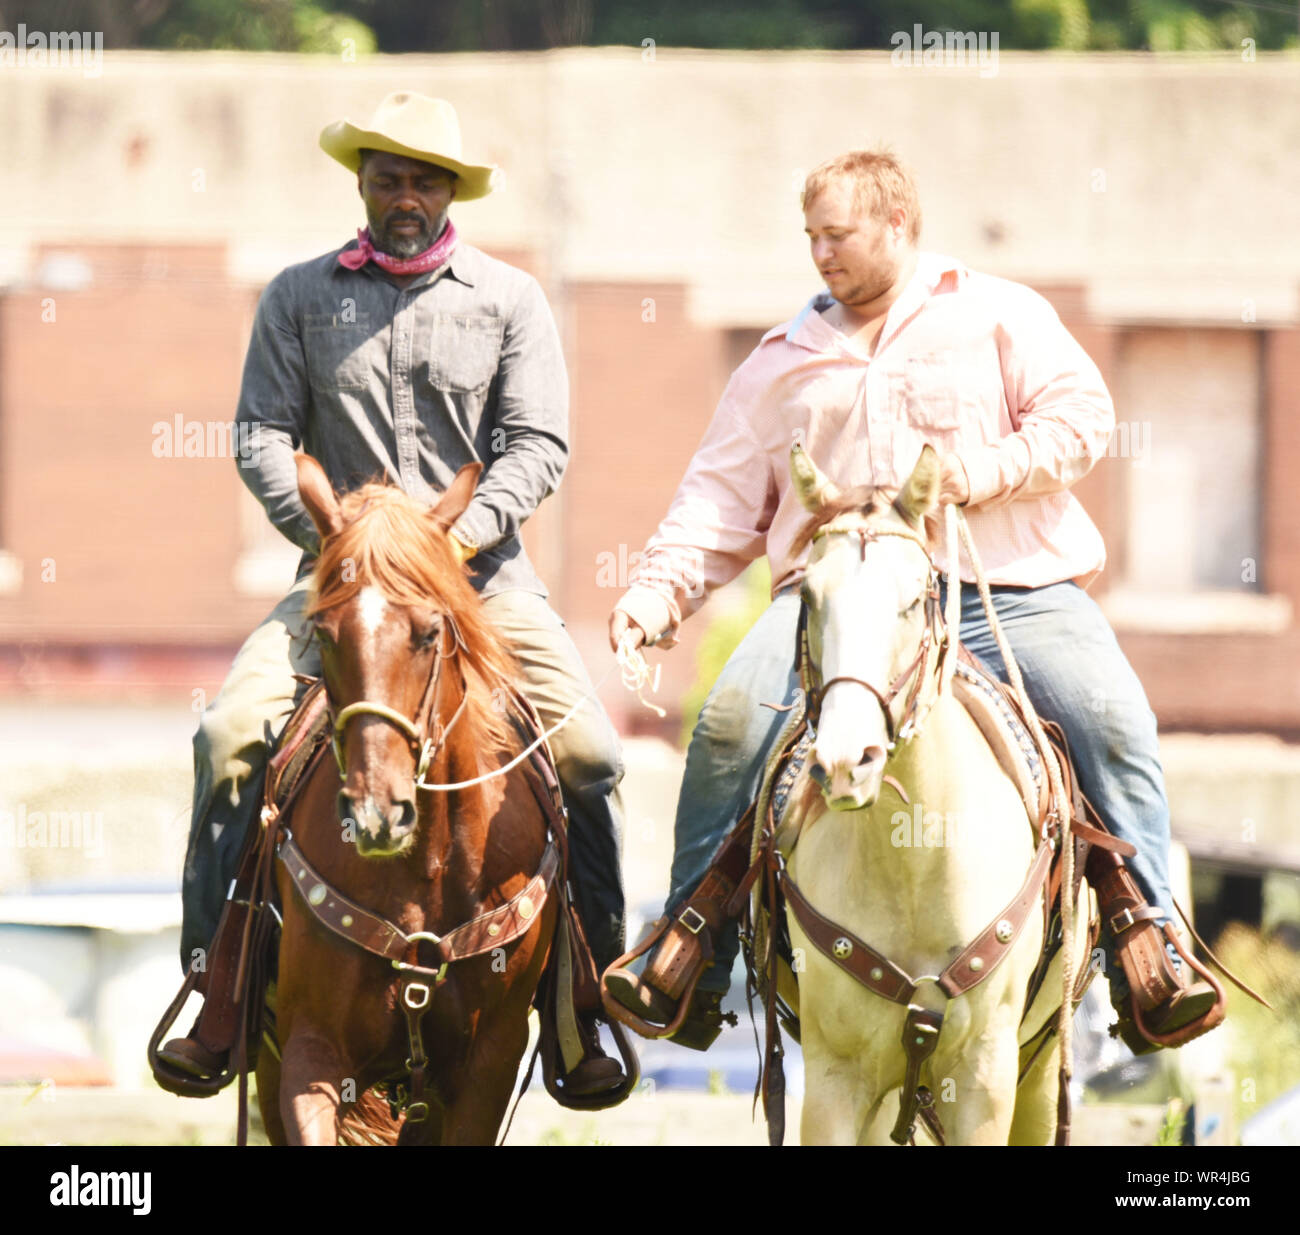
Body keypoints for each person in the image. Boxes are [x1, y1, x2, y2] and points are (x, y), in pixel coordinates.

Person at [603, 148, 1220, 1054]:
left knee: (1108, 714)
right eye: (810, 236)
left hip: (1003, 588)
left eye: (838, 234)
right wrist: (655, 592)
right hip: (843, 597)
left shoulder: (1000, 313)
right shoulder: (781, 361)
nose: (820, 253)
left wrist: (980, 472)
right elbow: (719, 499)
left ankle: (1149, 940)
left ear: (899, 225)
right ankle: (693, 946)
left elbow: (1082, 419)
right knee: (733, 719)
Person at [160, 92, 626, 1095]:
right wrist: (339, 540)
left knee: (592, 753)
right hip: (339, 586)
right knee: (228, 735)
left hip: (482, 583)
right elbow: (259, 434)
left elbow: (537, 445)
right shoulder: (295, 295)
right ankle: (217, 984)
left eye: (422, 179)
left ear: (451, 191)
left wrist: (444, 540)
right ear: (361, 183)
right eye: (386, 177)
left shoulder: (511, 301)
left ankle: (586, 999)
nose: (403, 194)